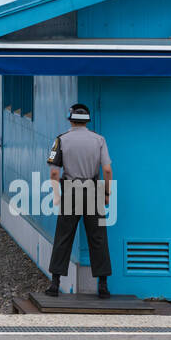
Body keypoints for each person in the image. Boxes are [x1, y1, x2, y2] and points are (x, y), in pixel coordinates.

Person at [45, 102, 113, 299]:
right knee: (98, 237)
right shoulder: (99, 140)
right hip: (93, 189)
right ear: (88, 121)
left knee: (64, 235)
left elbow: (55, 172)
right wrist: (107, 193)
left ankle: (55, 284)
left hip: (71, 189)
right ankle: (103, 285)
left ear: (70, 119)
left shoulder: (61, 140)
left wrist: (57, 195)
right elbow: (107, 170)